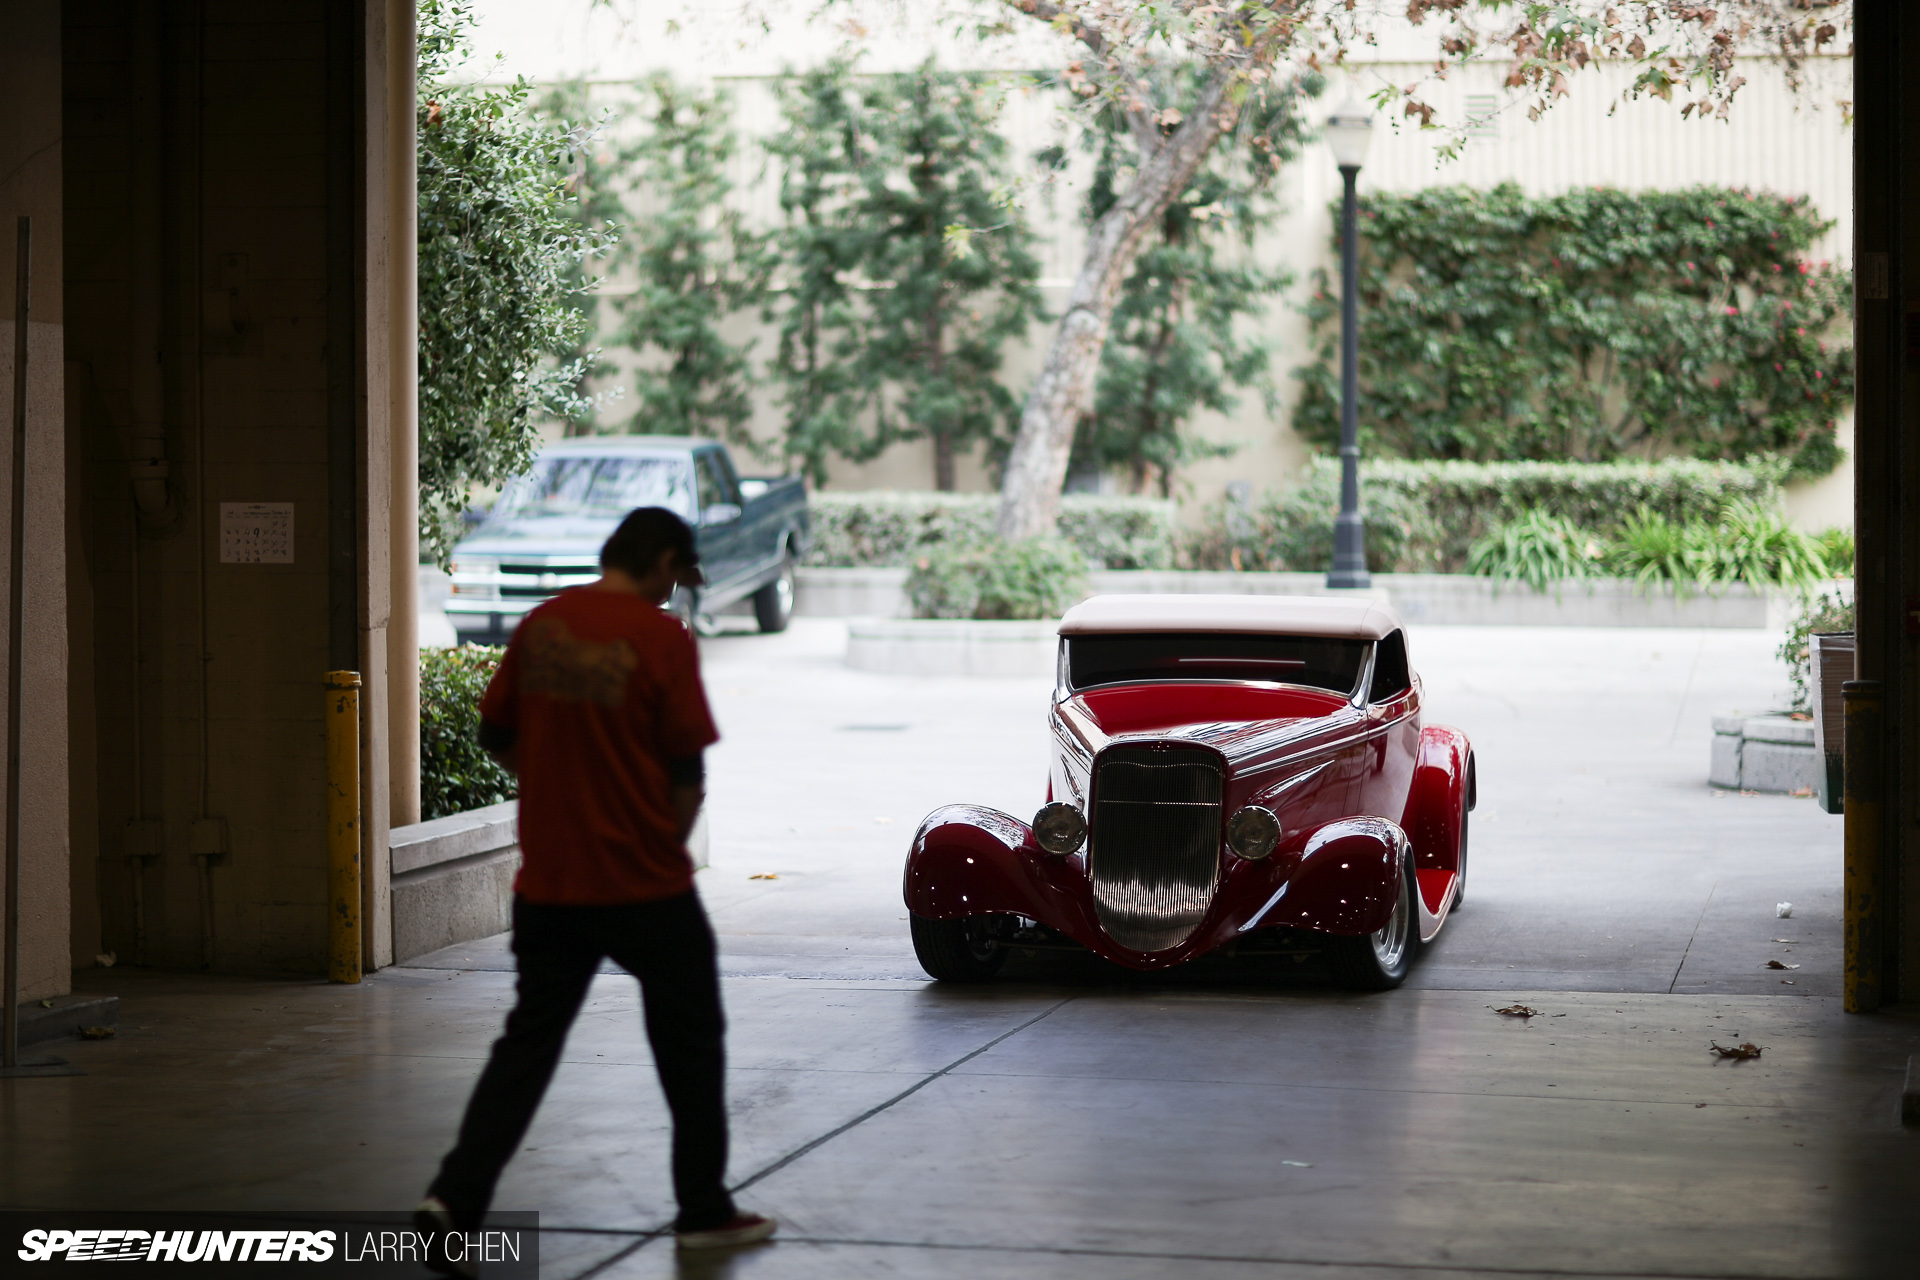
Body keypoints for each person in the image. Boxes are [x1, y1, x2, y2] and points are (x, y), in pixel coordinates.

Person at [417, 506, 776, 1272]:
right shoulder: (661, 639)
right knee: (691, 1039)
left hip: (549, 885)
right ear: (663, 561)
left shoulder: (543, 625)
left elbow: (496, 735)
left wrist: (559, 795)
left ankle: (454, 1201)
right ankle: (703, 1209)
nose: (677, 591)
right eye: (679, 575)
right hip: (644, 884)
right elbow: (688, 775)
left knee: (528, 1043)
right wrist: (658, 846)